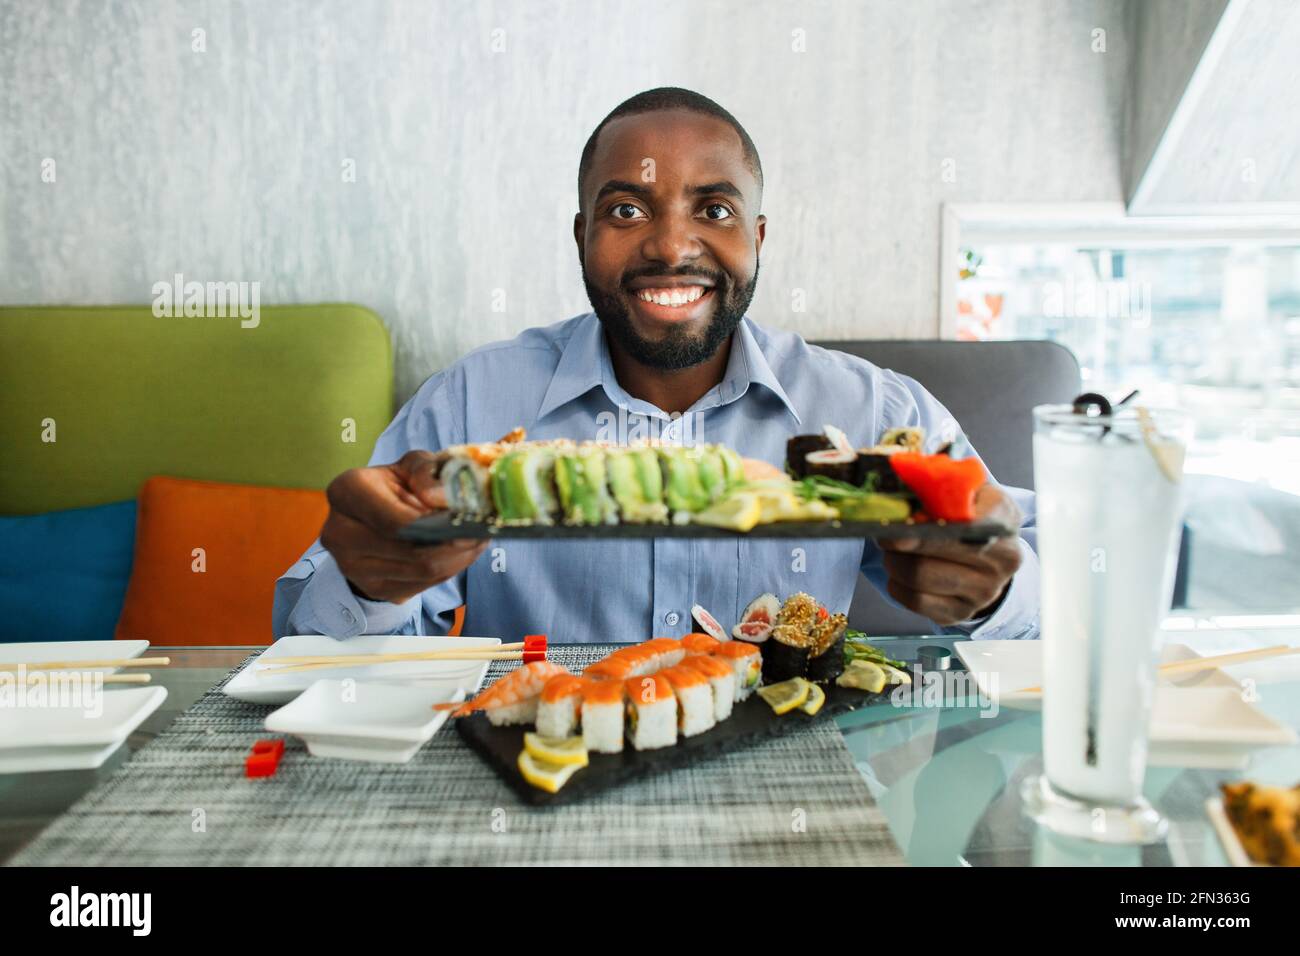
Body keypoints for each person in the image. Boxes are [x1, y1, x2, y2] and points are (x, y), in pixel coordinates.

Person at [273, 87, 1038, 643]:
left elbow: (1059, 618)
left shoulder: (879, 414)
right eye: (627, 211)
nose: (672, 247)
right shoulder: (470, 403)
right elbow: (310, 660)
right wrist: (367, 585)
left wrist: (991, 597)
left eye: (714, 210)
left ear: (759, 236)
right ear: (581, 235)